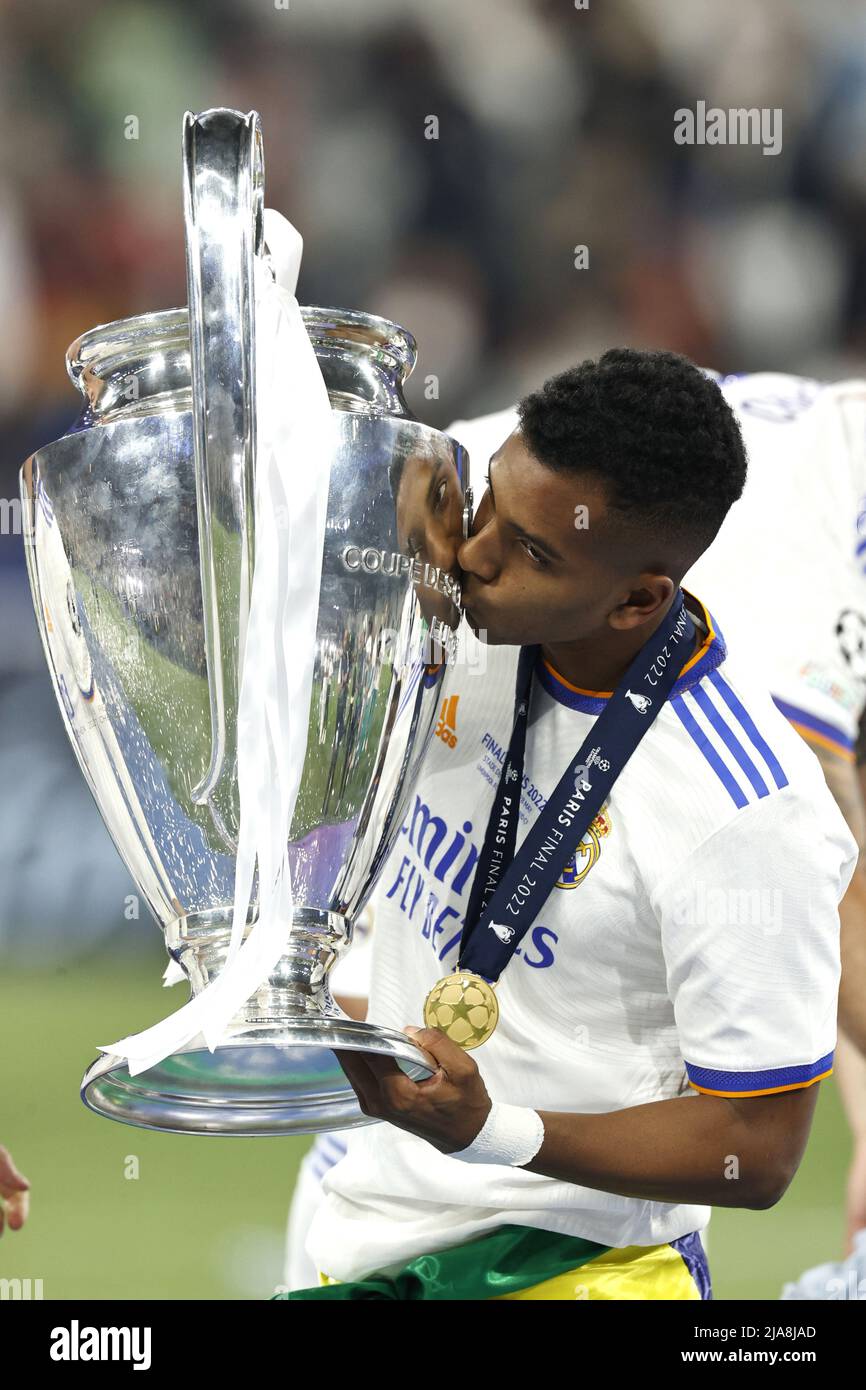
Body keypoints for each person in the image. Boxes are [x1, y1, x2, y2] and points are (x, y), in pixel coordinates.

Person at [279, 348, 857, 1302]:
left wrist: (492, 1129)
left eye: (534, 552)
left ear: (639, 598)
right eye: (490, 503)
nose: (477, 554)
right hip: (369, 1225)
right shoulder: (449, 631)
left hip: (573, 1268)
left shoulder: (745, 809)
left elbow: (754, 1152)